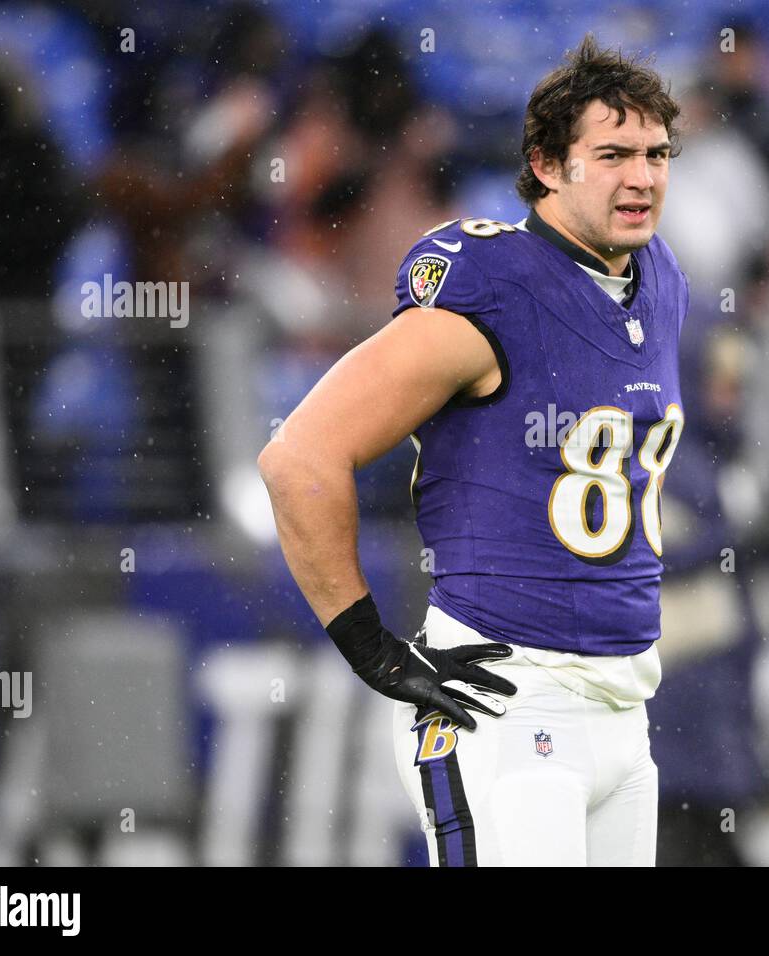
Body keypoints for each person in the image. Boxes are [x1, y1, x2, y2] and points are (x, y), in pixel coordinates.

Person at [258, 34, 688, 866]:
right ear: (549, 165)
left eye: (656, 153)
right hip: (509, 699)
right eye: (612, 154)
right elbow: (298, 457)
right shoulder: (493, 288)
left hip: (625, 708)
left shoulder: (658, 274)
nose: (642, 175)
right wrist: (369, 646)